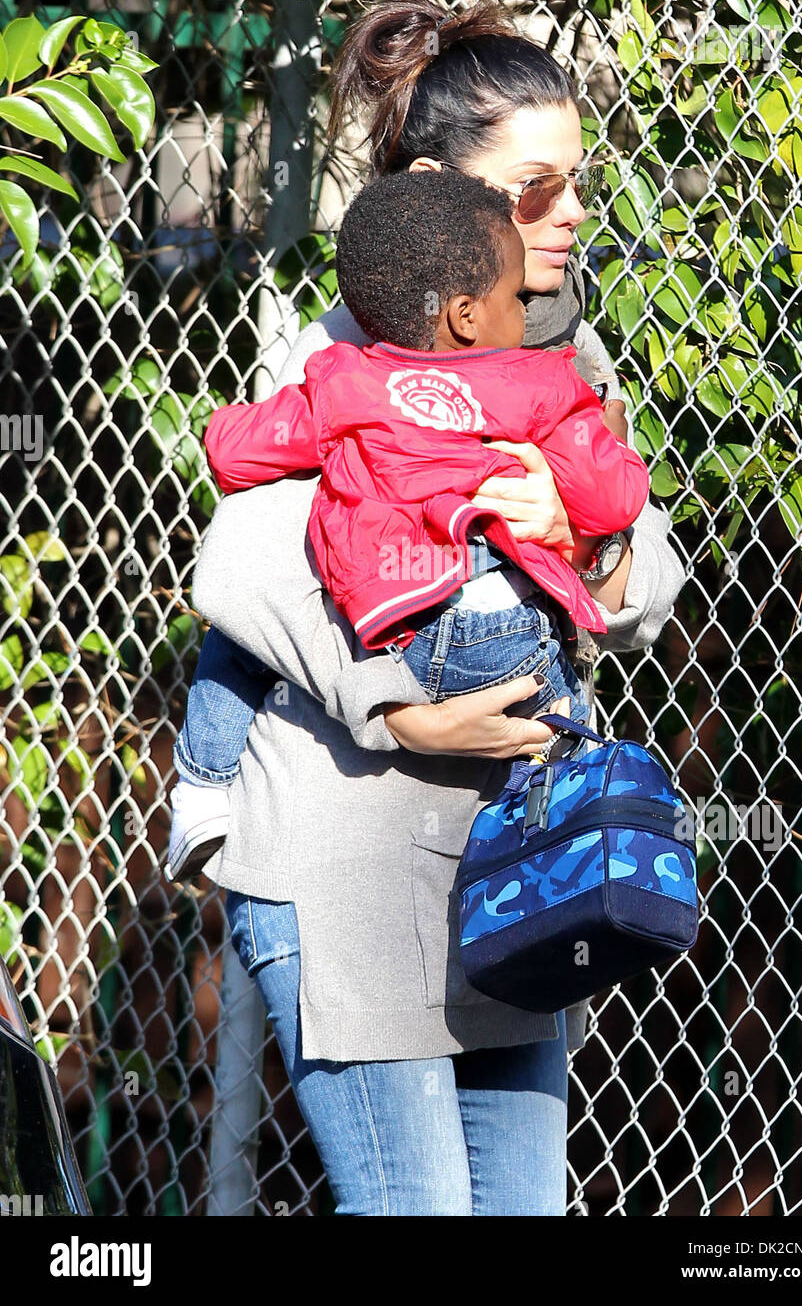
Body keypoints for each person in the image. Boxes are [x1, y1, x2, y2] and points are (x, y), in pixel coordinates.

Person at [185, 0, 687, 1215]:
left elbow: (642, 572)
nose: (569, 214)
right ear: (435, 192)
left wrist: (584, 529)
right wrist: (398, 711)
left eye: (577, 183)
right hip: (346, 850)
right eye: (534, 189)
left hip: (507, 853)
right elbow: (244, 561)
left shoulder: (549, 350)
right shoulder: (328, 362)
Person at [165, 168, 649, 884]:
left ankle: (202, 785)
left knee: (233, 643)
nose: (525, 309)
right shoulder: (542, 382)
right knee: (559, 733)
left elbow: (232, 452)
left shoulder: (342, 381)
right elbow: (613, 502)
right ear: (464, 314)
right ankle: (561, 854)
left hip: (400, 632)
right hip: (509, 635)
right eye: (514, 297)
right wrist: (611, 443)